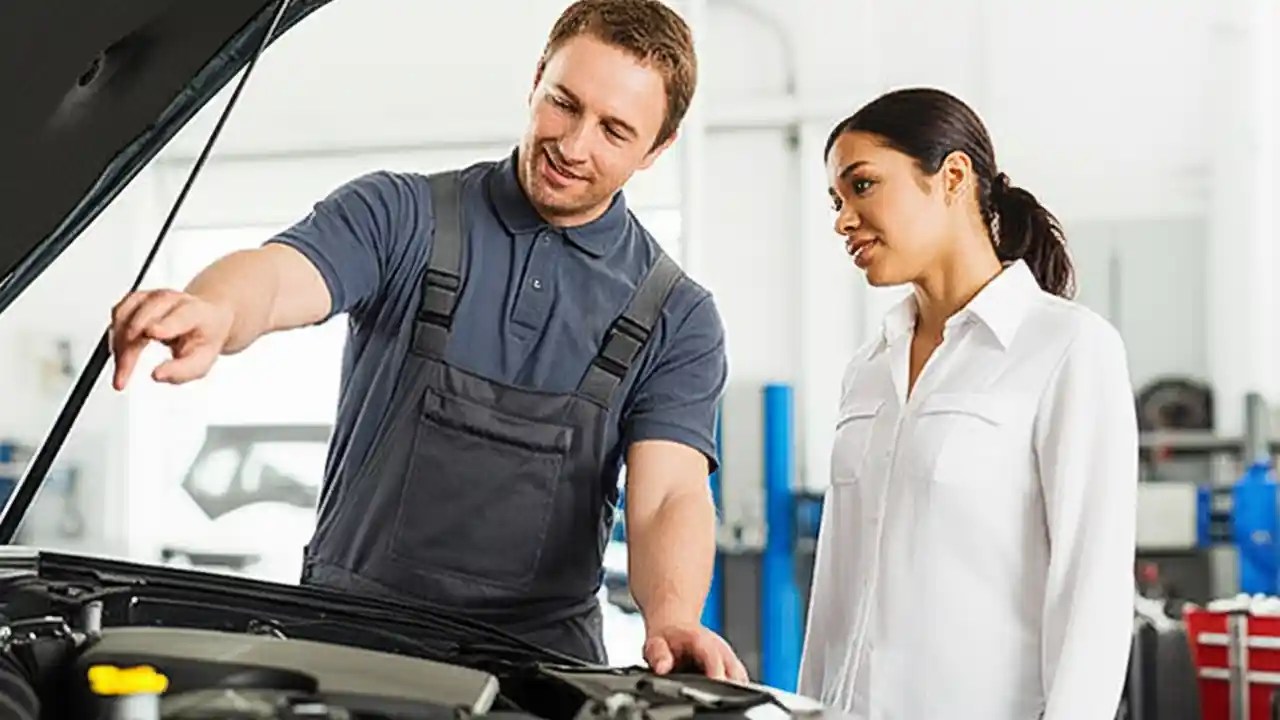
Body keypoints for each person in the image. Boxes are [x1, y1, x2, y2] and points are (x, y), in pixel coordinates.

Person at [107, 0, 748, 681]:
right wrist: (213, 307)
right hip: (345, 649)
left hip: (536, 674)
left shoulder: (676, 316)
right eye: (564, 103)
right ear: (536, 78)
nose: (573, 144)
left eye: (615, 130)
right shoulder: (401, 216)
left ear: (659, 147)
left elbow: (668, 494)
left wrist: (674, 617)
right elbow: (277, 276)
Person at [797, 87, 1138, 719]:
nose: (843, 219)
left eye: (862, 186)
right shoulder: (867, 371)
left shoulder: (1067, 349)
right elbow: (834, 590)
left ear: (952, 176)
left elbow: (1091, 598)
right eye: (835, 201)